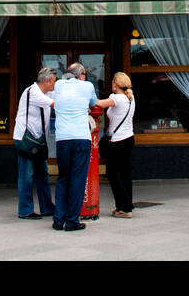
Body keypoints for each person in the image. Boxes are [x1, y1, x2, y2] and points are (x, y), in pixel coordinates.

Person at [51, 62, 98, 231]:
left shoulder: (57, 84)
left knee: (63, 178)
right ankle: (72, 221)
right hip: (81, 137)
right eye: (84, 73)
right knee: (77, 180)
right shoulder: (87, 86)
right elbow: (94, 103)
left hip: (62, 138)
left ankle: (58, 220)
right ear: (80, 75)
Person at [13, 68, 56, 219]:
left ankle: (47, 207)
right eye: (54, 81)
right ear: (47, 80)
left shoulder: (48, 92)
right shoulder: (33, 92)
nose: (54, 84)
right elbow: (55, 104)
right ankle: (25, 210)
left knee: (42, 173)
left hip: (37, 140)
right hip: (25, 140)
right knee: (26, 175)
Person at [96, 72, 136, 219]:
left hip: (117, 142)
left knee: (113, 174)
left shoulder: (116, 98)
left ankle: (124, 208)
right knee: (125, 174)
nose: (111, 84)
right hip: (129, 139)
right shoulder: (131, 99)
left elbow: (98, 103)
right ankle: (126, 206)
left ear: (116, 84)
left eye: (113, 82)